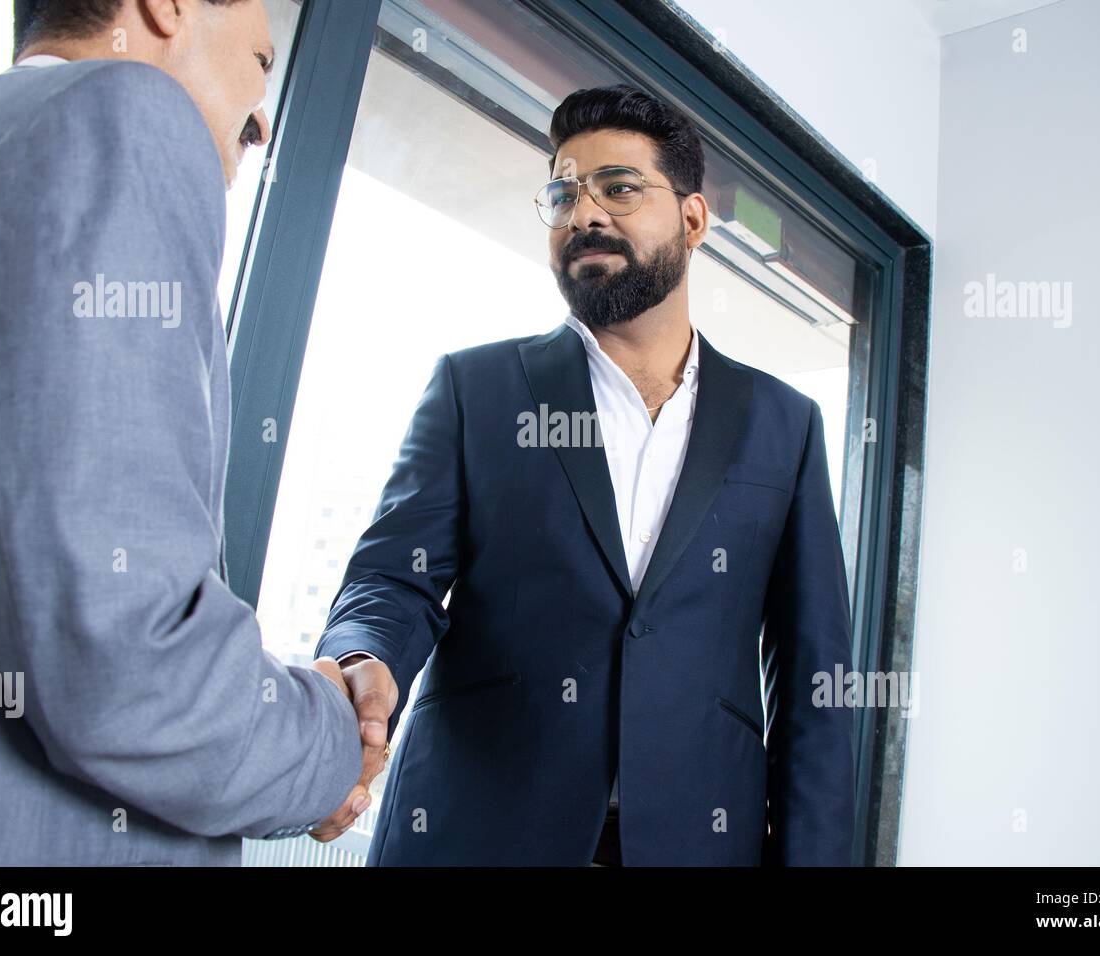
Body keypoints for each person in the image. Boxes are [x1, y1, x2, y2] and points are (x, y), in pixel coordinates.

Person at [316, 84, 856, 865]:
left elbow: (815, 680)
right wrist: (365, 662)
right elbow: (392, 579)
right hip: (475, 828)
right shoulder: (478, 389)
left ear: (694, 219)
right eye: (564, 193)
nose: (585, 214)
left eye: (620, 188)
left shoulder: (785, 425)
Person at [0, 0, 388, 865]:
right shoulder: (120, 116)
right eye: (260, 62)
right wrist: (327, 735)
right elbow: (126, 658)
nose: (261, 116)